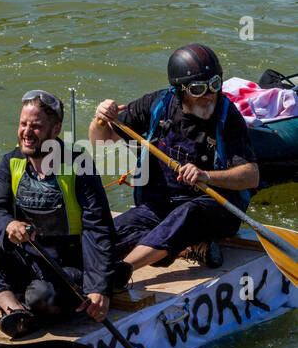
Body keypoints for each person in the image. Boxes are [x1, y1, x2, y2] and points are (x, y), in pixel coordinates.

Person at [90, 43, 259, 278]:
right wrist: (100, 119)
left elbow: (251, 175)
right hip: (160, 206)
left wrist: (205, 175)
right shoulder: (157, 105)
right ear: (180, 90)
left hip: (211, 205)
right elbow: (101, 141)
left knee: (187, 213)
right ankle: (189, 248)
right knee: (109, 233)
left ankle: (123, 270)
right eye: (198, 88)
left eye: (214, 85)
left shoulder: (227, 116)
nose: (209, 94)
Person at [0, 90, 118, 337]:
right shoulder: (10, 161)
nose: (26, 132)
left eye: (35, 127)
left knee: (41, 297)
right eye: (23, 124)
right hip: (26, 258)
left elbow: (98, 228)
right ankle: (13, 310)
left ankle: (24, 304)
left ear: (55, 130)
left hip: (66, 265)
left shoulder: (79, 165)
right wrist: (8, 223)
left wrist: (100, 288)